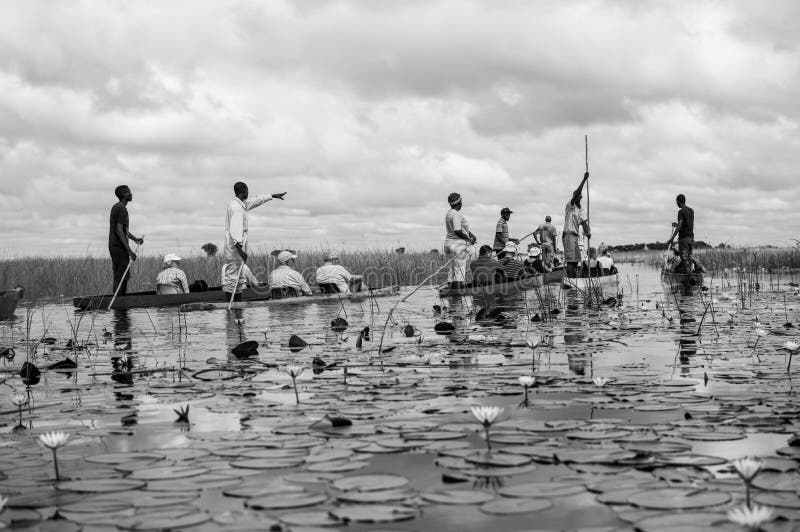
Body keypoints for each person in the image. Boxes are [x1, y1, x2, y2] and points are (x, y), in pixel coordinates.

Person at [223, 181, 286, 300]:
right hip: (235, 251)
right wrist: (240, 251)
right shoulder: (236, 208)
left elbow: (256, 201)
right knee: (233, 280)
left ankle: (237, 306)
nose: (248, 193)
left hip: (236, 250)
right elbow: (235, 230)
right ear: (243, 191)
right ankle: (231, 305)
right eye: (247, 191)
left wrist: (272, 196)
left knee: (239, 279)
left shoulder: (240, 204)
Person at [109, 185, 144, 296]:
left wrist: (135, 239)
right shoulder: (122, 209)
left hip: (115, 246)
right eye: (128, 192)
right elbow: (119, 230)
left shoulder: (117, 207)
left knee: (121, 275)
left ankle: (119, 299)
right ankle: (119, 301)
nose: (131, 194)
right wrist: (129, 251)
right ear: (124, 195)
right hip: (119, 247)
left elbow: (123, 230)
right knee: (122, 276)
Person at [444, 193, 477, 289]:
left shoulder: (449, 213)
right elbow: (457, 230)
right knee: (459, 268)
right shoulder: (456, 214)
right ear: (459, 203)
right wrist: (468, 239)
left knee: (452, 268)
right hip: (458, 245)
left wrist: (471, 235)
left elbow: (461, 227)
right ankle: (458, 291)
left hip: (449, 243)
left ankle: (451, 290)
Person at [563, 172, 591, 278]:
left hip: (575, 237)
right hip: (568, 235)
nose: (580, 198)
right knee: (571, 261)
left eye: (580, 197)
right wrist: (584, 180)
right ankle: (571, 280)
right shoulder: (570, 205)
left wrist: (588, 232)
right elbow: (577, 193)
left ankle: (574, 279)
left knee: (576, 260)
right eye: (578, 196)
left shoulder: (580, 210)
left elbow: (583, 223)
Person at [666, 194, 702, 274]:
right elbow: (686, 224)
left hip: (684, 239)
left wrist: (672, 238)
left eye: (677, 202)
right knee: (689, 257)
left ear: (679, 201)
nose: (677, 204)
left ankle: (688, 275)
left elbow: (680, 226)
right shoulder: (691, 211)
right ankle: (691, 273)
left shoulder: (681, 211)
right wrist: (676, 224)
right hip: (691, 238)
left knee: (684, 259)